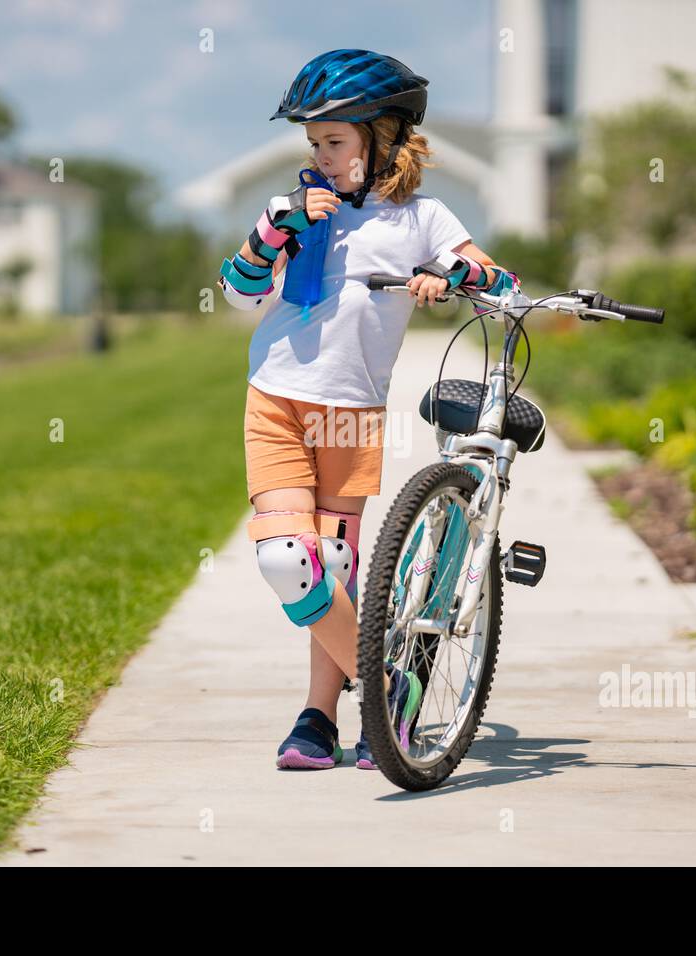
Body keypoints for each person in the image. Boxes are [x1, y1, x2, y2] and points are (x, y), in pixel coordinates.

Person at [218, 49, 521, 770]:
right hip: (277, 399)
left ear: (383, 138)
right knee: (287, 559)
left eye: (334, 141)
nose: (319, 157)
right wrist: (273, 233)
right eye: (313, 143)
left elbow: (498, 280)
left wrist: (448, 274)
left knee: (338, 565)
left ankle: (318, 718)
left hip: (350, 411)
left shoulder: (421, 217)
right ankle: (386, 685)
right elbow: (239, 294)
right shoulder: (294, 210)